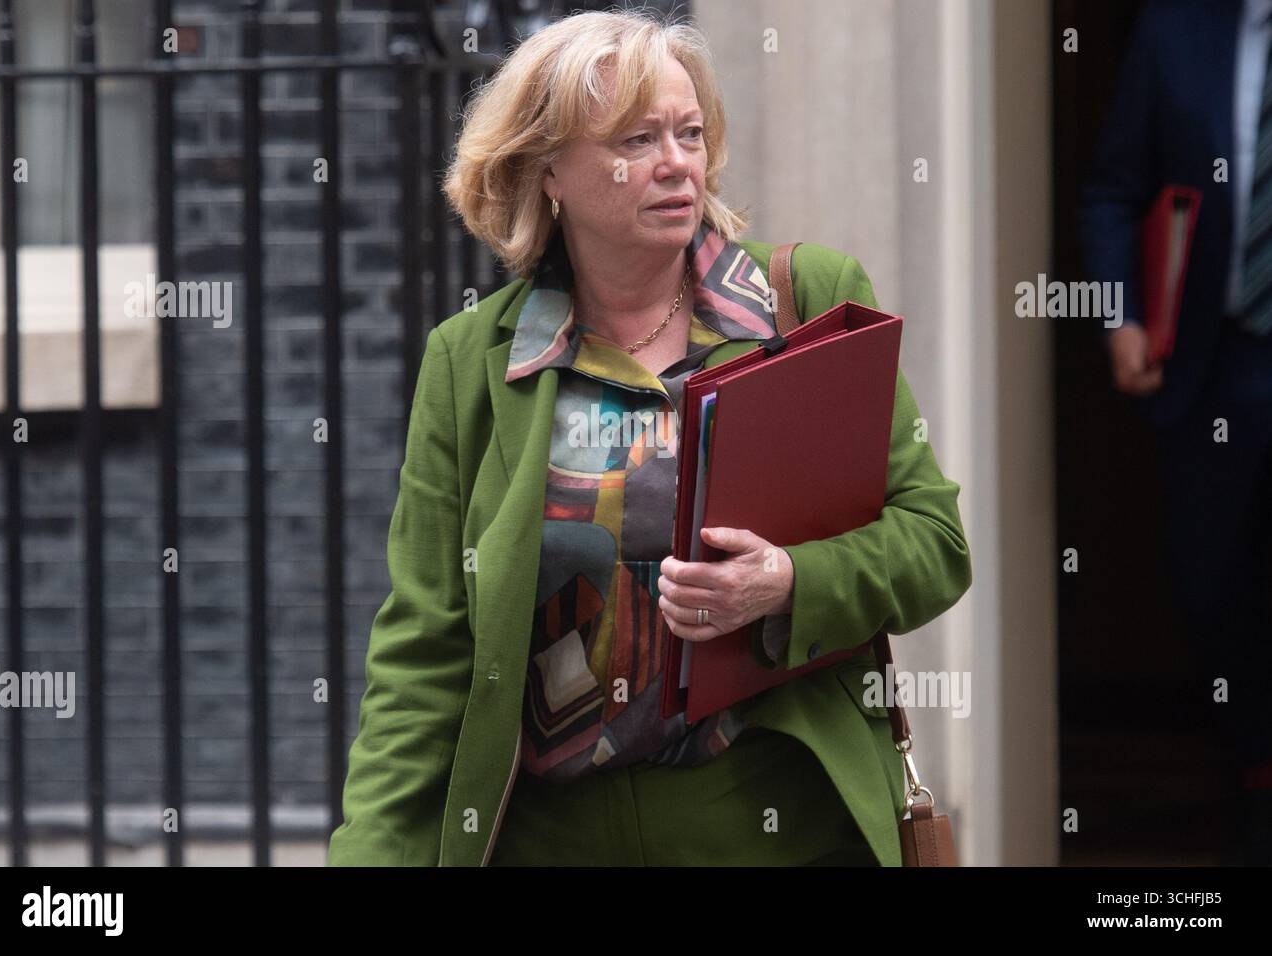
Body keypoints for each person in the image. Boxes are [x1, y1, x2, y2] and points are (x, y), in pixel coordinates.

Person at [327, 8, 971, 867]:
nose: (677, 163)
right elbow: (423, 658)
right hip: (551, 841)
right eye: (636, 138)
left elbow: (933, 542)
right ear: (547, 167)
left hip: (775, 830)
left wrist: (787, 582)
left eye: (691, 132)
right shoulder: (470, 362)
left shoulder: (804, 303)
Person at [1078, 0, 1272, 864]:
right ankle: (1256, 779)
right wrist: (1120, 317)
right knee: (1215, 586)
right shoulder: (1178, 27)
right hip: (1217, 364)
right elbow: (1116, 188)